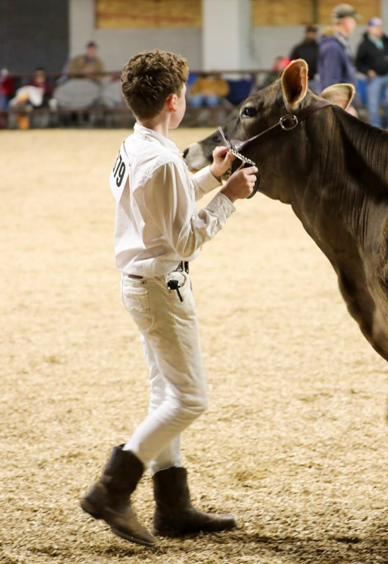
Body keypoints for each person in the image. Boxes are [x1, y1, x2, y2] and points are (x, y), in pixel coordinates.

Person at [79, 49, 256, 548]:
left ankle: (172, 506)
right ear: (175, 102)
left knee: (165, 393)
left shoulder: (136, 146)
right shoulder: (164, 161)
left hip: (139, 279)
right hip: (161, 282)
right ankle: (112, 489)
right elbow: (183, 240)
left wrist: (213, 176)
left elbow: (164, 205)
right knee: (190, 398)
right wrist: (229, 198)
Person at [355, 17, 388, 129]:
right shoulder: (364, 45)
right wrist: (367, 71)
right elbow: (358, 62)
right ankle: (376, 128)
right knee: (373, 105)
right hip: (374, 79)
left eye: (380, 27)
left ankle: (386, 125)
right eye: (376, 27)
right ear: (370, 29)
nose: (379, 29)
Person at [318, 3, 360, 93]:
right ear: (346, 20)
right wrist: (342, 105)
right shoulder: (332, 46)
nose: (355, 24)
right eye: (353, 20)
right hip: (339, 103)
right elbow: (332, 81)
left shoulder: (341, 43)